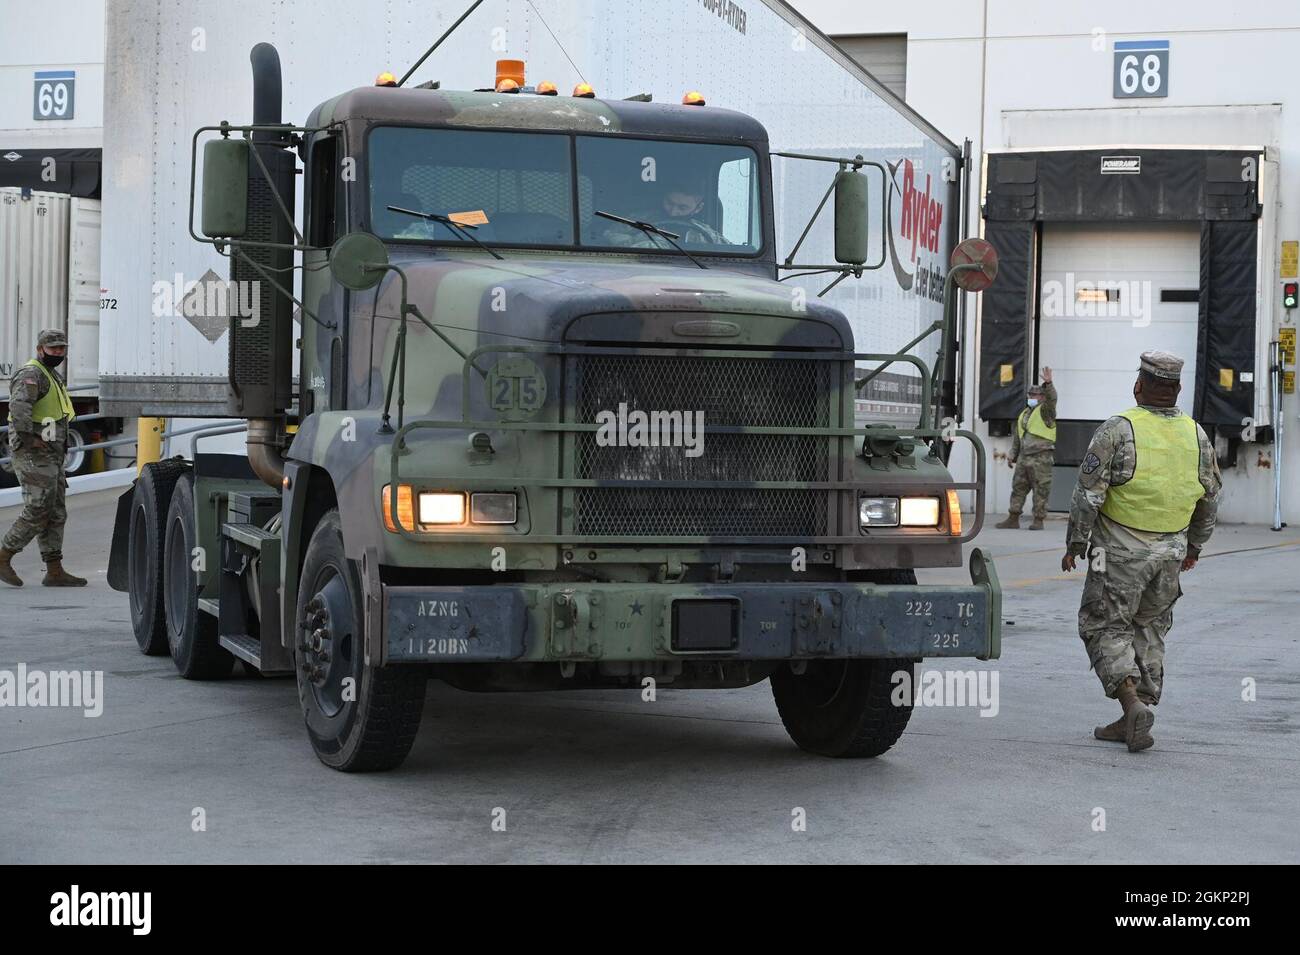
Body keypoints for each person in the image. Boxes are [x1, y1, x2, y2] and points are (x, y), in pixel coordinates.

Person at [1060, 351, 1220, 753]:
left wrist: (1076, 543)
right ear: (1177, 390)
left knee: (1103, 625)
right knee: (1149, 627)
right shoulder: (1196, 434)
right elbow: (1210, 498)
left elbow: (1087, 493)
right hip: (1170, 553)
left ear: (1138, 386)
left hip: (1120, 552)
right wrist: (1194, 547)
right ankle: (1135, 713)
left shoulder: (1117, 429)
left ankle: (1131, 705)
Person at [0, 329, 87, 588]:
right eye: (53, 349)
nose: (58, 353)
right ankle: (4, 555)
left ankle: (54, 569)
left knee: (56, 510)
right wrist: (29, 439)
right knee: (39, 506)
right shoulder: (31, 374)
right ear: (40, 349)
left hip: (51, 452)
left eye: (61, 348)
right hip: (33, 452)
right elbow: (18, 408)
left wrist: (60, 445)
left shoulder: (50, 374)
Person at [996, 366, 1057, 530]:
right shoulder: (1024, 414)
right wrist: (1012, 455)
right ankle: (1013, 518)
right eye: (1030, 394)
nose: (1031, 397)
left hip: (1041, 457)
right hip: (1024, 457)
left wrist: (1049, 384)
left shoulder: (1046, 412)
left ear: (1042, 397)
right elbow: (1018, 437)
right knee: (1018, 488)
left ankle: (1038, 520)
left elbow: (1052, 400)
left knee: (1041, 490)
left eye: (1035, 395)